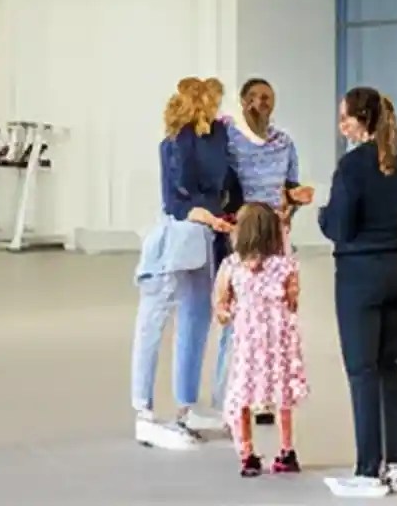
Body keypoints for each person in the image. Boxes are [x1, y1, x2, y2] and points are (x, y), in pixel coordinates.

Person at [320, 87, 397, 498]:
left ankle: (367, 471)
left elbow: (339, 227)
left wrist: (321, 214)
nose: (341, 125)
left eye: (346, 118)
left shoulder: (350, 167)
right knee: (388, 368)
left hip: (360, 275)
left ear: (362, 120)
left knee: (361, 372)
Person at [130, 77, 238, 450]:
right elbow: (177, 201)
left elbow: (217, 191)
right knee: (154, 320)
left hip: (203, 239)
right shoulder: (178, 142)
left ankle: (185, 406)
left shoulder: (217, 139)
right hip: (177, 238)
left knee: (196, 318)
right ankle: (143, 411)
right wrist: (212, 217)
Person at [212, 77, 314, 423]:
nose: (261, 103)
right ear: (243, 102)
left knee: (275, 318)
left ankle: (266, 397)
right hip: (242, 234)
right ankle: (230, 397)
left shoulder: (284, 142)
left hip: (276, 234)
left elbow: (291, 187)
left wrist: (293, 205)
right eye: (253, 97)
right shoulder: (230, 138)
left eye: (267, 97)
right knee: (239, 317)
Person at [213, 202, 310, 478]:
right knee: (283, 396)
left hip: (247, 344)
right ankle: (286, 451)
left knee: (243, 395)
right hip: (280, 343)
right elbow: (293, 302)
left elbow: (221, 307)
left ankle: (248, 455)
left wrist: (232, 314)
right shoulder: (287, 266)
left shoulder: (231, 266)